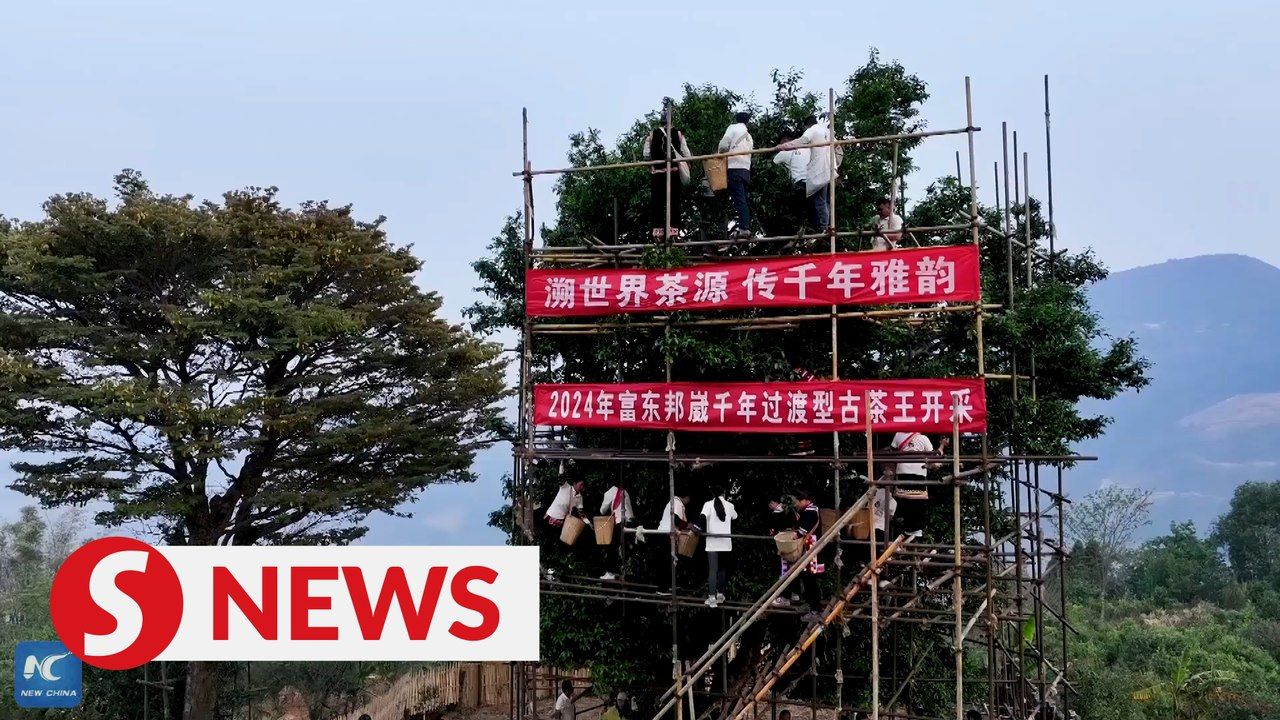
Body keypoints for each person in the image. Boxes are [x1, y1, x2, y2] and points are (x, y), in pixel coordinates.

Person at [777, 113, 841, 233]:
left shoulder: (812, 130)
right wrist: (836, 167)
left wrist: (783, 146)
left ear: (807, 126)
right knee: (825, 200)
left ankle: (823, 227)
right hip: (829, 169)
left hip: (819, 169)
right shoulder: (827, 132)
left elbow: (802, 141)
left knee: (819, 201)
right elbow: (838, 148)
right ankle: (826, 225)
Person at [888, 432, 949, 537]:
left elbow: (892, 451)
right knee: (917, 502)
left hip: (902, 473)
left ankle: (904, 528)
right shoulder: (924, 438)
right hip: (918, 473)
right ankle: (915, 530)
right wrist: (942, 446)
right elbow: (934, 458)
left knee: (903, 501)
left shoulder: (898, 435)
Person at [642, 112, 692, 240]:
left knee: (657, 203)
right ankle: (673, 231)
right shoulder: (679, 134)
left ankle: (658, 232)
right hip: (673, 173)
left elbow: (646, 155)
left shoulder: (652, 135)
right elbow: (686, 154)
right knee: (674, 201)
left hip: (657, 174)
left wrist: (652, 163)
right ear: (672, 121)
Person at [718, 112, 754, 238]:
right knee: (743, 199)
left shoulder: (733, 128)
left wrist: (719, 154)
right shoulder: (749, 136)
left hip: (734, 168)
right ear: (747, 121)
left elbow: (723, 146)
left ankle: (744, 228)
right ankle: (745, 226)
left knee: (738, 200)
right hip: (746, 170)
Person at [700, 487, 737, 607]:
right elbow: (735, 517)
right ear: (724, 492)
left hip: (712, 542)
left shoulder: (708, 504)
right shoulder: (730, 506)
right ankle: (720, 595)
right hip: (726, 543)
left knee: (712, 570)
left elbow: (702, 518)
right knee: (722, 569)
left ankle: (711, 599)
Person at [793, 490, 825, 623]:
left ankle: (815, 609)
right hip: (811, 548)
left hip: (811, 549)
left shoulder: (810, 512)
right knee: (806, 577)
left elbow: (802, 531)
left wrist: (793, 536)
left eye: (797, 502)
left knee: (810, 579)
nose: (796, 505)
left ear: (803, 500)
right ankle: (810, 604)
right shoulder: (812, 509)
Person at [773, 131, 810, 233]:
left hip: (799, 182)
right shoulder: (807, 149)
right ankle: (814, 230)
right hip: (813, 181)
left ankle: (796, 231)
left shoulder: (784, 152)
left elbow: (773, 163)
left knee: (793, 210)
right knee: (812, 208)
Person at [598, 483, 636, 580]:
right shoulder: (625, 491)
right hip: (630, 522)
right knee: (627, 548)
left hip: (620, 521)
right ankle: (628, 571)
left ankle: (610, 572)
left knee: (612, 546)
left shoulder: (610, 492)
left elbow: (602, 510)